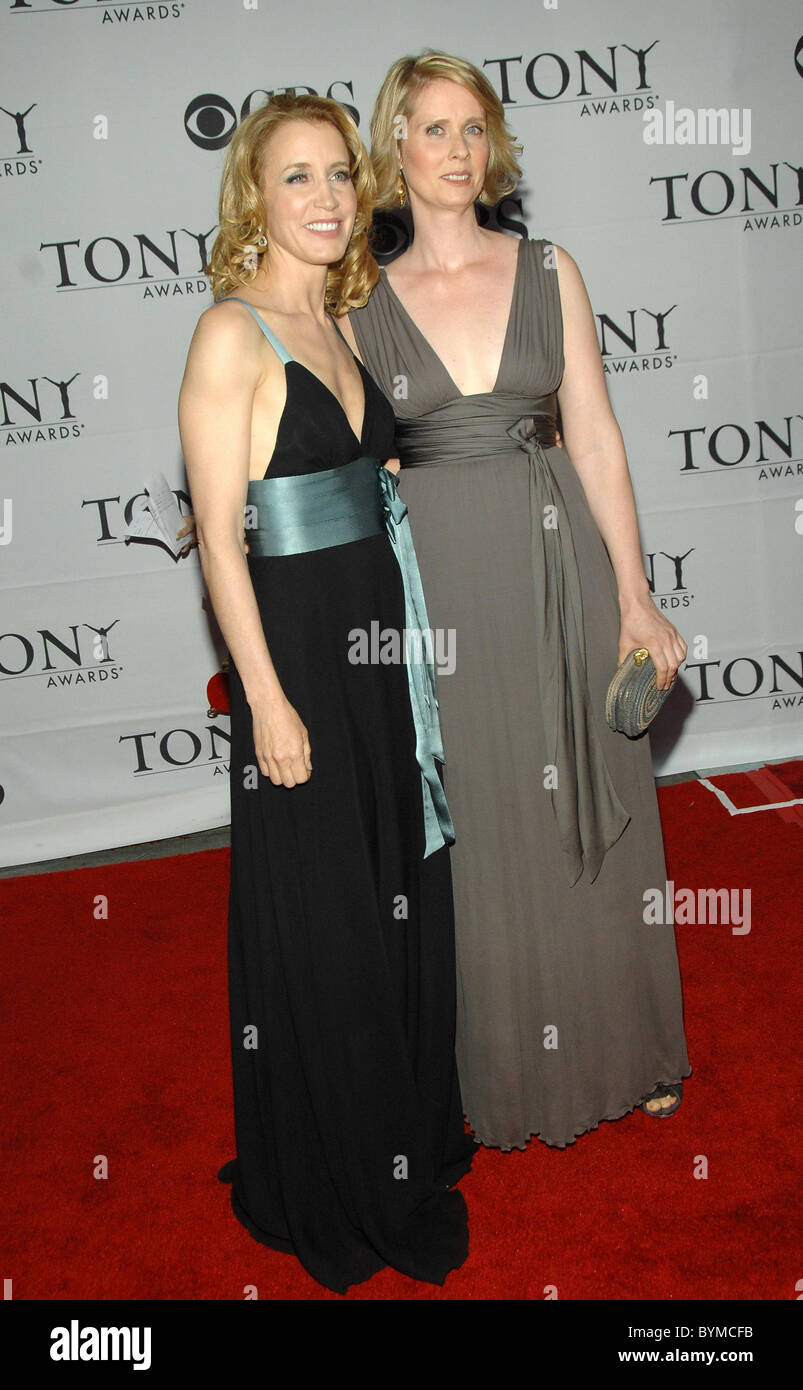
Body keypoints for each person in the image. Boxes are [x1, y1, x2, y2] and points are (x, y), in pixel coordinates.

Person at [337, 51, 691, 1151]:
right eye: (433, 129)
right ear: (393, 148)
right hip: (440, 582)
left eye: (473, 129)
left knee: (590, 791)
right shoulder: (358, 302)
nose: (457, 150)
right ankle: (486, 1071)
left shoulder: (548, 269)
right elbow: (351, 463)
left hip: (559, 561)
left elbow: (591, 434)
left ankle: (631, 1047)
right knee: (479, 814)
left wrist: (633, 596)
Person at [177, 92, 474, 1294]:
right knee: (330, 919)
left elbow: (376, 489)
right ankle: (336, 1172)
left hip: (374, 652)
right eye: (295, 175)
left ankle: (397, 1132)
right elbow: (216, 540)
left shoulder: (345, 320)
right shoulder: (228, 335)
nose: (326, 197)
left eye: (340, 174)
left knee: (395, 887)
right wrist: (266, 698)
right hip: (294, 660)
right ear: (254, 192)